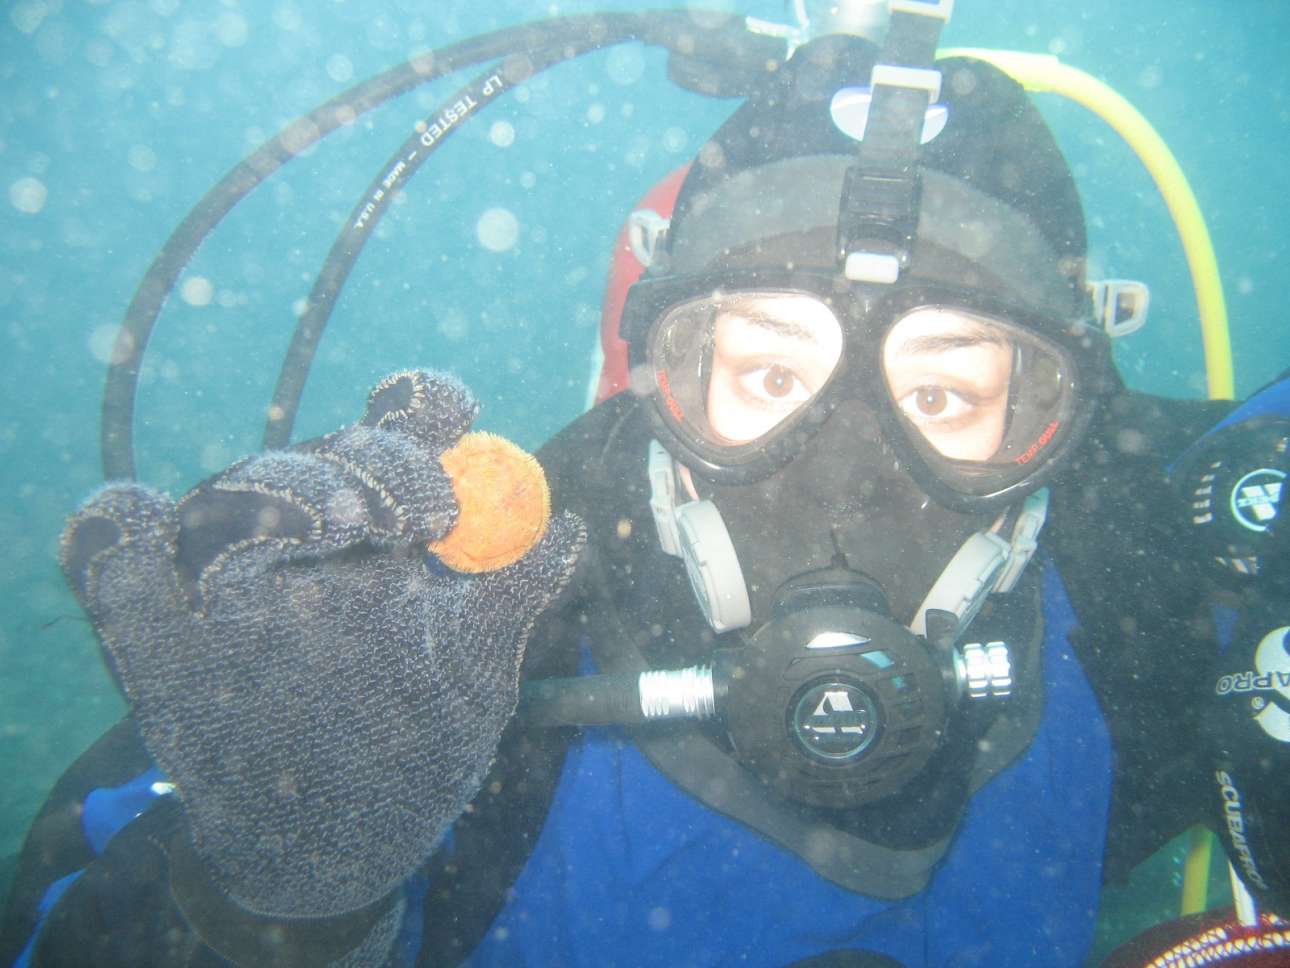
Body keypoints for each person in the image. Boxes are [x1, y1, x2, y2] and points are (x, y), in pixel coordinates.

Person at [2, 5, 1287, 966]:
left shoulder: (1148, 597)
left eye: (947, 393)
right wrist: (274, 903)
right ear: (655, 384)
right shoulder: (460, 640)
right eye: (767, 371)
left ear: (1061, 425)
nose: (846, 479)